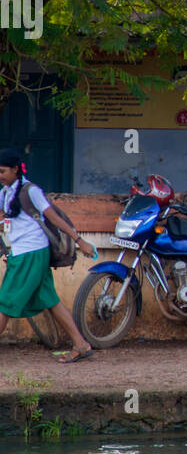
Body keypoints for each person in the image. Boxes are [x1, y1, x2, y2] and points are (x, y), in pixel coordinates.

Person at [0, 148, 98, 362]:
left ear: (15, 170)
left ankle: (81, 345)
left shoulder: (31, 191)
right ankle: (81, 345)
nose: (0, 176)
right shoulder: (5, 193)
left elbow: (53, 218)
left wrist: (79, 240)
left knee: (5, 301)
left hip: (30, 253)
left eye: (3, 171)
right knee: (50, 299)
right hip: (24, 252)